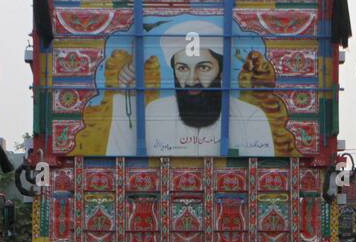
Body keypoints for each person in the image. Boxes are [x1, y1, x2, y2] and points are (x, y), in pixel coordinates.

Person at [105, 19, 275, 157]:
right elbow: (119, 157)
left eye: (204, 67)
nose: (192, 80)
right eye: (182, 68)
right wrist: (125, 95)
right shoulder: (155, 112)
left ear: (222, 71)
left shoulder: (250, 117)